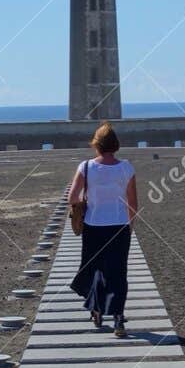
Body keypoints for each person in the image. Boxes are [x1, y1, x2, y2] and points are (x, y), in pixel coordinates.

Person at [68, 123, 138, 333]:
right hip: (119, 226)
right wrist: (130, 225)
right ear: (116, 145)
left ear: (96, 145)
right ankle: (118, 318)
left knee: (96, 269)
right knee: (118, 272)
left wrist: (86, 202)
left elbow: (72, 198)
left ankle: (97, 312)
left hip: (93, 225)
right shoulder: (126, 167)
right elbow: (133, 203)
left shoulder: (86, 167)